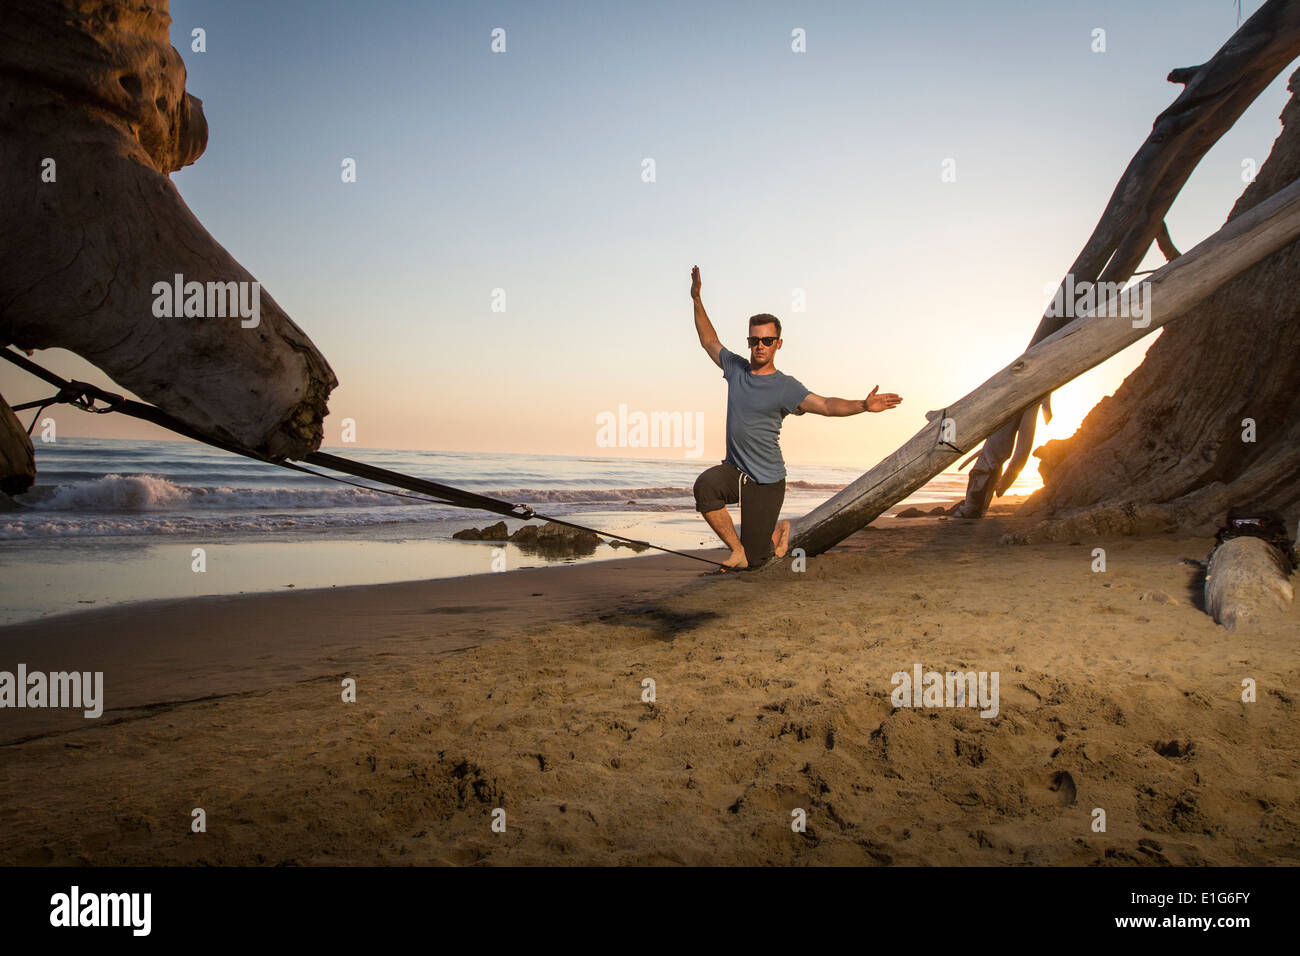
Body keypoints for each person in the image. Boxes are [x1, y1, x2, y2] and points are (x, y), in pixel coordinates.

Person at [690, 265, 902, 571]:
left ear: (778, 344)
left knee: (761, 561)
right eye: (754, 341)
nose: (759, 346)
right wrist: (697, 298)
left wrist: (863, 405)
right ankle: (737, 550)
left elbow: (827, 405)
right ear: (748, 342)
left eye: (766, 341)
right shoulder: (736, 369)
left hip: (766, 481)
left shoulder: (785, 387)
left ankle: (780, 531)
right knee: (705, 488)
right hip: (735, 472)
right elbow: (709, 340)